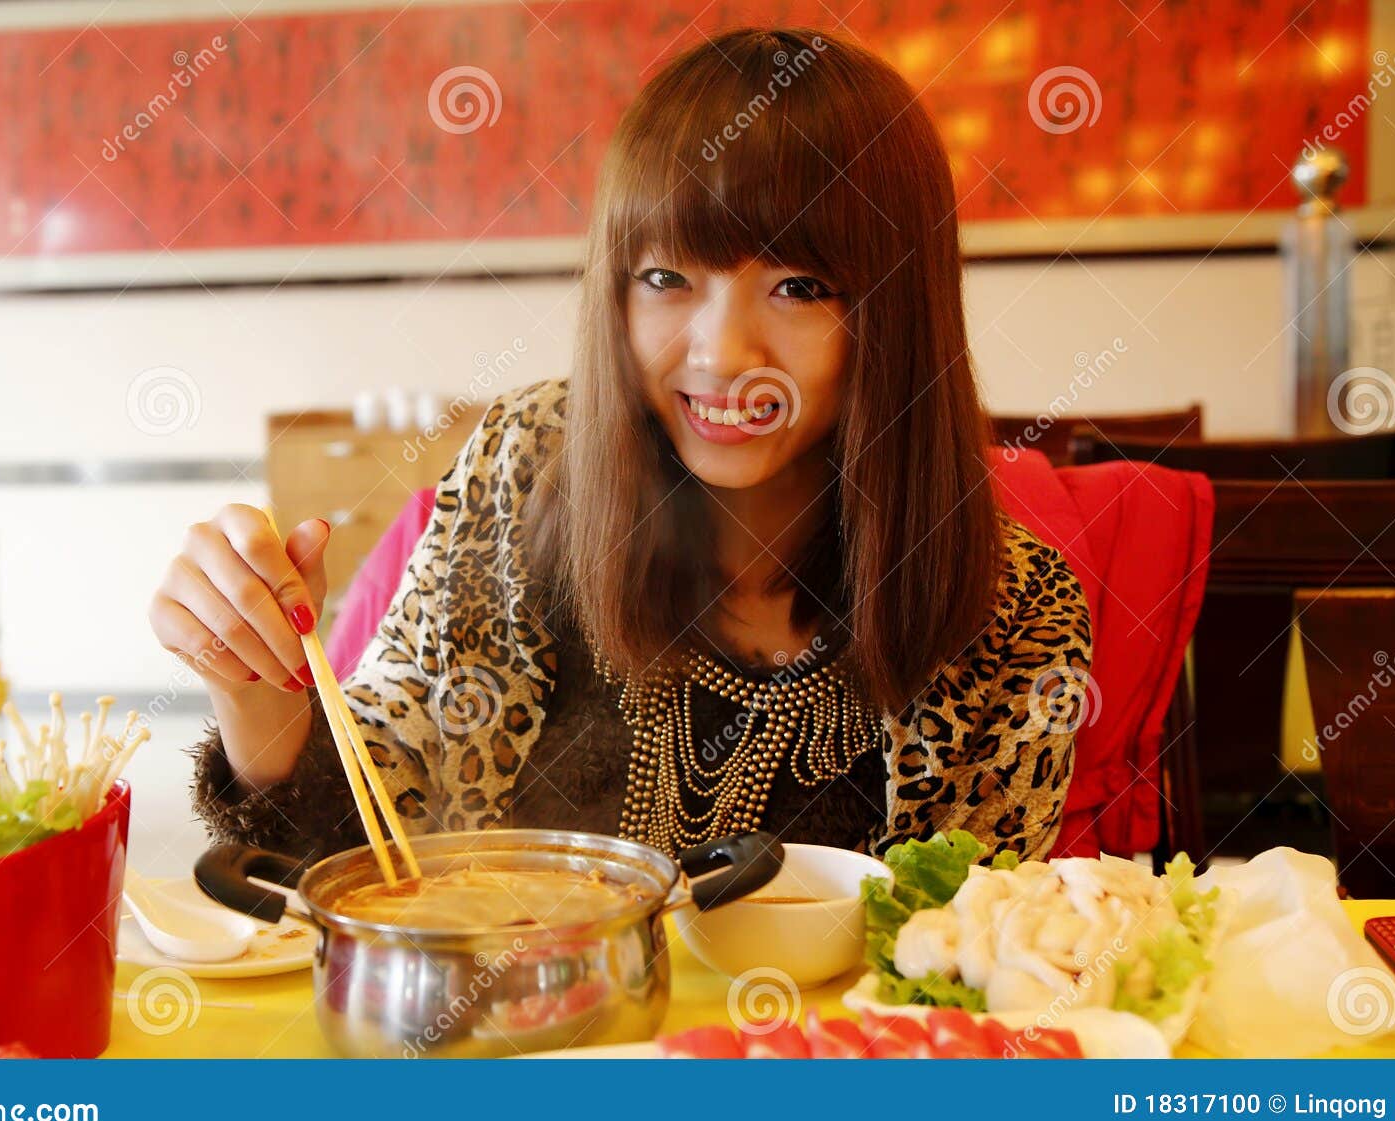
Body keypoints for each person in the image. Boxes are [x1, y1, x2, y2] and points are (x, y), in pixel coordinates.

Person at [149, 27, 1092, 864]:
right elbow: (372, 840)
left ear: (897, 309)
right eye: (666, 276)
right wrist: (255, 683)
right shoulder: (528, 468)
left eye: (800, 287)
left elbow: (960, 967)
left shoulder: (1015, 613)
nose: (722, 355)